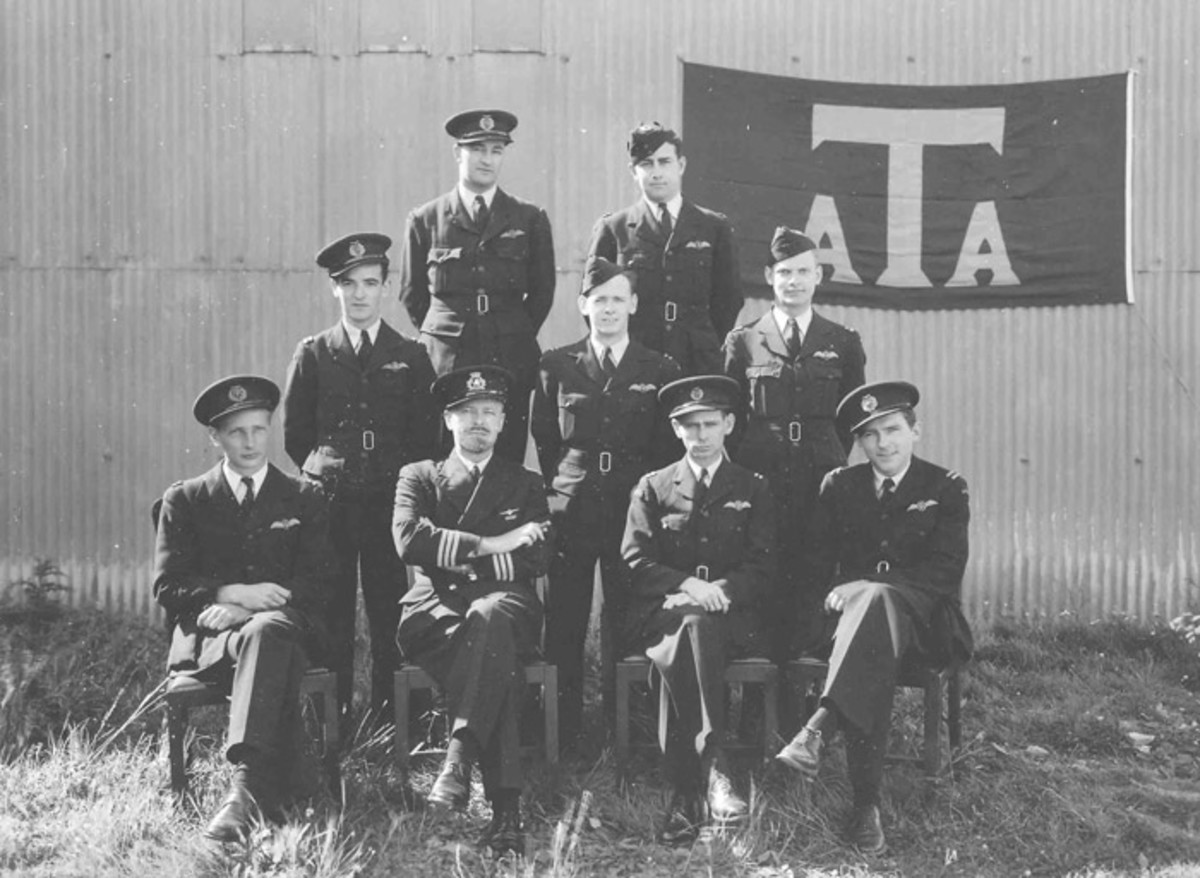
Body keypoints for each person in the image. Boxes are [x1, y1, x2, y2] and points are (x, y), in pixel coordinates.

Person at [774, 381, 972, 854]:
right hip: (847, 625)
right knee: (872, 639)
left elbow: (945, 570)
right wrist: (841, 595)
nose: (883, 443)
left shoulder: (945, 486)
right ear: (859, 443)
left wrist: (871, 587)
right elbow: (816, 565)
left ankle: (819, 727)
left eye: (893, 430)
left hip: (925, 626)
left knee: (879, 607)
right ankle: (866, 808)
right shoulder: (839, 486)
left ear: (914, 431)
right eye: (870, 436)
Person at [153, 375, 336, 843]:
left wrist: (249, 608)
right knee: (267, 634)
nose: (250, 442)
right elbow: (168, 586)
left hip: (281, 626)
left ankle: (246, 787)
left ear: (270, 428)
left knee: (268, 631)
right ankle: (284, 782)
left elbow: (321, 582)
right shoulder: (187, 499)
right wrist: (232, 593)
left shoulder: (304, 495)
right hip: (212, 638)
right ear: (215, 437)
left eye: (258, 429)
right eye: (236, 432)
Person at [392, 365, 551, 857]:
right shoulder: (419, 476)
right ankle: (506, 815)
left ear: (504, 422)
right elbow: (409, 540)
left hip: (504, 607)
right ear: (449, 420)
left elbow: (538, 555)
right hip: (434, 613)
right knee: (492, 651)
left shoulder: (524, 483)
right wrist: (492, 543)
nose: (478, 421)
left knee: (491, 623)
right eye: (467, 412)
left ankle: (457, 760)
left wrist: (459, 558)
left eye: (489, 412)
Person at [282, 232, 438, 723]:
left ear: (386, 287)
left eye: (370, 283)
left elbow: (425, 436)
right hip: (333, 502)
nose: (359, 294)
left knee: (392, 606)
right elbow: (296, 435)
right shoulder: (313, 353)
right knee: (331, 611)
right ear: (335, 290)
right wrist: (328, 471)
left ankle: (397, 722)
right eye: (348, 284)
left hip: (388, 503)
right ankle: (333, 721)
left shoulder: (410, 355)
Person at [531, 256, 682, 751]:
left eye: (618, 299)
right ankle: (566, 731)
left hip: (630, 511)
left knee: (626, 618)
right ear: (583, 306)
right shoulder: (556, 365)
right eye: (600, 301)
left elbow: (663, 451)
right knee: (565, 619)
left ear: (633, 305)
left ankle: (627, 730)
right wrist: (565, 489)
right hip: (572, 510)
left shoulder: (658, 368)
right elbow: (548, 441)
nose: (609, 309)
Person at [621, 375, 775, 845]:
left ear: (728, 424)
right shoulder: (653, 486)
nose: (701, 436)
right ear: (676, 431)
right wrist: (687, 585)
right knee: (689, 627)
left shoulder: (754, 485)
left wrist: (719, 590)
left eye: (710, 423)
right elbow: (634, 558)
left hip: (731, 618)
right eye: (691, 427)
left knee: (693, 633)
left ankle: (687, 795)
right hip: (666, 613)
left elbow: (764, 562)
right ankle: (715, 770)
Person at [724, 227, 866, 661]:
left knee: (813, 578)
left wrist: (824, 455)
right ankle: (757, 703)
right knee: (762, 579)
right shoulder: (745, 340)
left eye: (804, 271)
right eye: (785, 272)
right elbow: (733, 419)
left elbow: (848, 420)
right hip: (762, 481)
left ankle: (803, 694)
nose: (794, 281)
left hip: (820, 482)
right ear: (769, 276)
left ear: (818, 276)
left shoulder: (842, 342)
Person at [398, 109, 557, 463]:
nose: (488, 159)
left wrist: (514, 332)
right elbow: (413, 295)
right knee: (446, 455)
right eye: (478, 149)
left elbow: (543, 292)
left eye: (496, 150)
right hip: (448, 360)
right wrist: (446, 336)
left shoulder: (529, 218)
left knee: (506, 455)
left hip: (509, 357)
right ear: (458, 153)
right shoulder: (426, 219)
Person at [586, 122, 741, 376]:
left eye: (664, 161)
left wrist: (703, 342)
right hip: (634, 359)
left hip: (696, 360)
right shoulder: (614, 228)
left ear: (681, 165)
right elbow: (595, 299)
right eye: (646, 164)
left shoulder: (714, 227)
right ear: (633, 171)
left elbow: (729, 298)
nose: (656, 172)